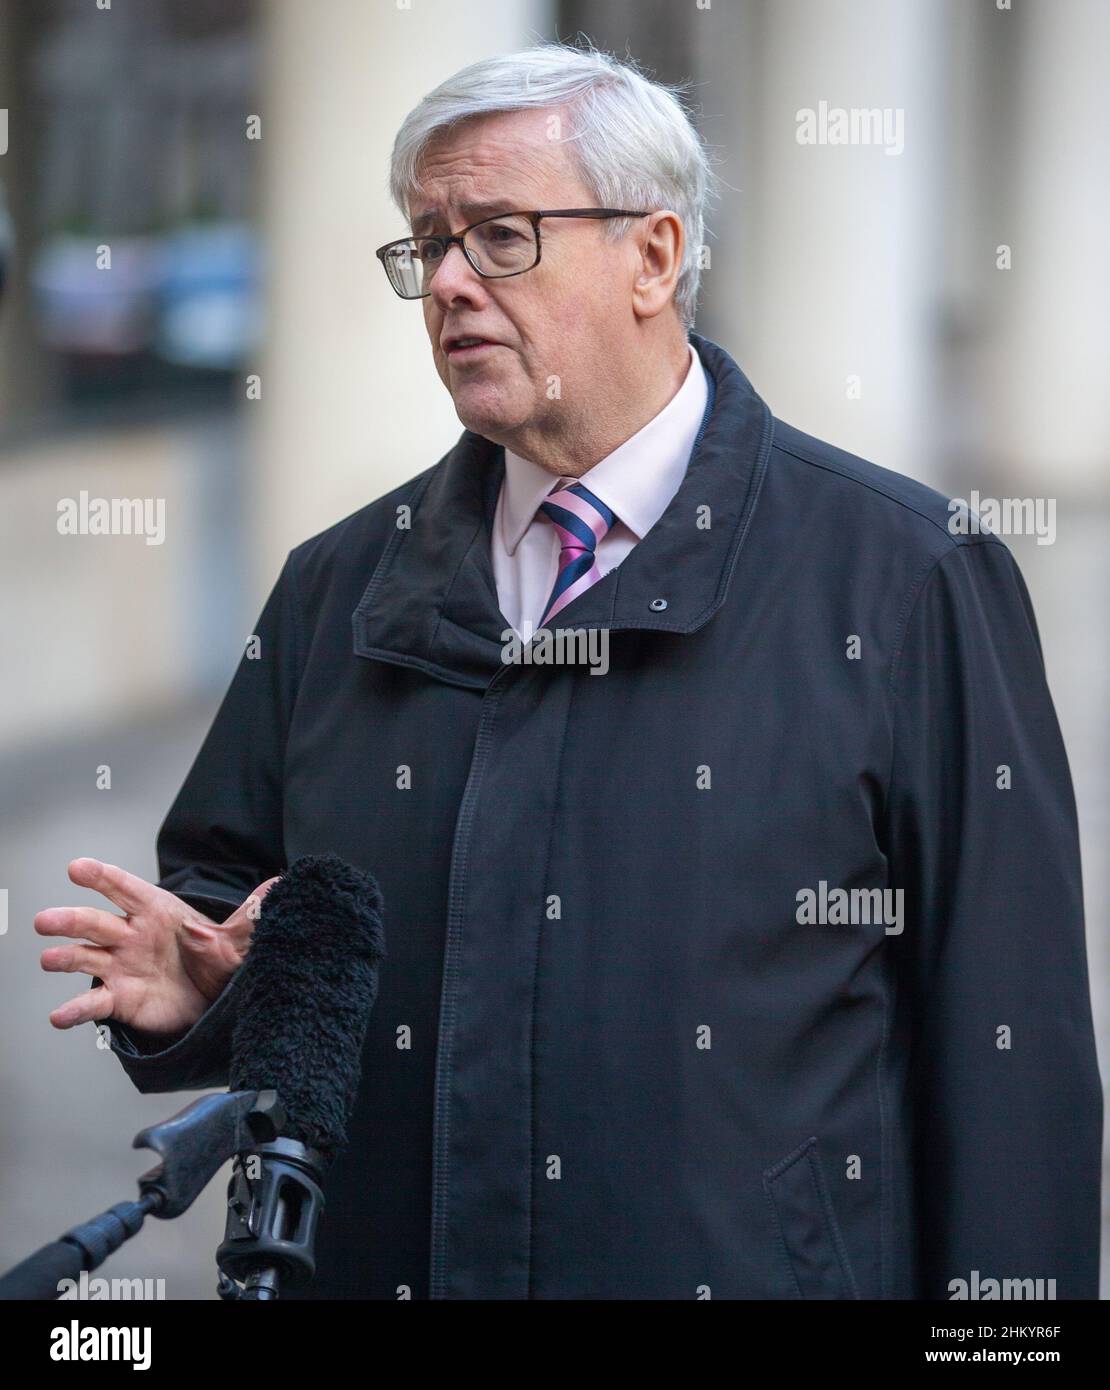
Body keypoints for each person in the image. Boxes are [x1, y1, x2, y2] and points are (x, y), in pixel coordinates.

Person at [36, 42, 1101, 1300]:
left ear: (654, 254)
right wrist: (212, 994)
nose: (448, 283)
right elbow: (224, 901)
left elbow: (1010, 1060)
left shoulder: (908, 577)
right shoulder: (337, 586)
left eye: (499, 236)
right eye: (427, 243)